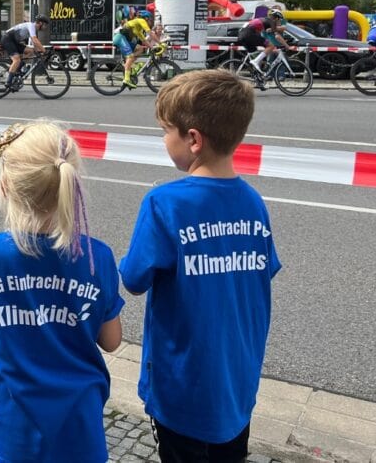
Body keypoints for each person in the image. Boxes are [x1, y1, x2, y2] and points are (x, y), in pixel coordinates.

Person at [119, 69, 280, 461]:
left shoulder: (165, 203)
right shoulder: (253, 202)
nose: (163, 140)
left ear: (193, 139)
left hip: (182, 384)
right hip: (237, 378)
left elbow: (134, 278)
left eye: (165, 131)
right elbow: (263, 269)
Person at [0, 120, 124, 463]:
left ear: (7, 185)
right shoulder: (98, 257)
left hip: (15, 420)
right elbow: (110, 340)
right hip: (79, 421)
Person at [0, 15, 49, 91]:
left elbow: (33, 43)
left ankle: (18, 70)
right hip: (7, 39)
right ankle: (8, 82)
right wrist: (44, 50)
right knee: (16, 60)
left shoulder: (33, 28)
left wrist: (38, 51)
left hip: (14, 41)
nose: (45, 27)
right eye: (45, 25)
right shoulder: (31, 26)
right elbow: (35, 40)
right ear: (40, 23)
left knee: (30, 51)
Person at [114, 7, 159, 88]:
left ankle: (129, 65)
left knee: (140, 48)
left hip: (123, 39)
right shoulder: (141, 20)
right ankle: (126, 79)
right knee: (130, 57)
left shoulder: (137, 28)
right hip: (119, 37)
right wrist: (160, 43)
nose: (151, 22)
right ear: (146, 18)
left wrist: (152, 47)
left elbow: (144, 40)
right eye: (150, 20)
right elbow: (150, 33)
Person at [235, 8, 288, 74]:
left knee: (256, 53)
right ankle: (256, 61)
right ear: (276, 18)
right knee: (270, 46)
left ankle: (257, 76)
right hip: (249, 34)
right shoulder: (271, 21)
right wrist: (286, 45)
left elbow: (261, 34)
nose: (279, 22)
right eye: (279, 19)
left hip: (241, 35)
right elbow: (277, 35)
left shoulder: (264, 20)